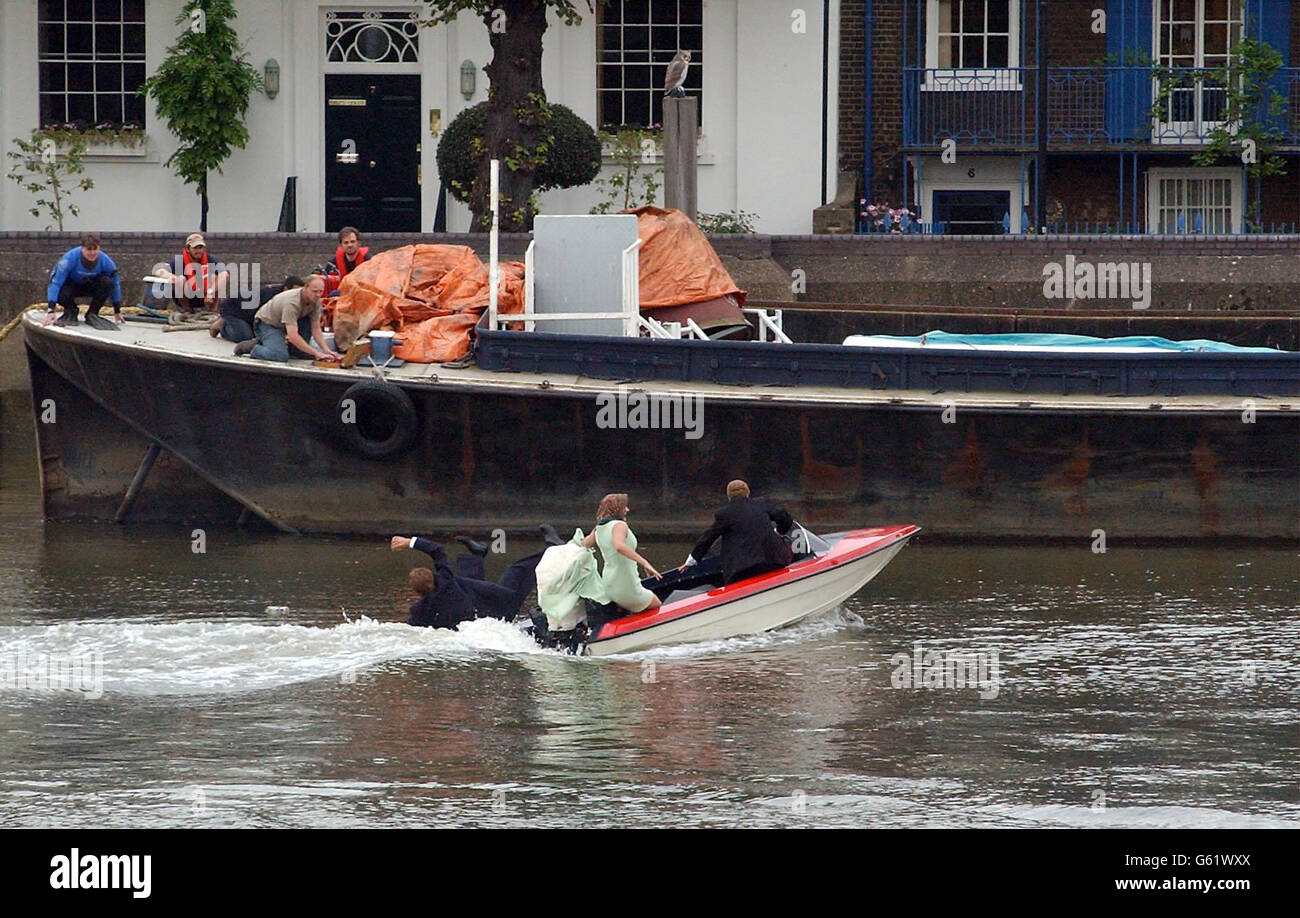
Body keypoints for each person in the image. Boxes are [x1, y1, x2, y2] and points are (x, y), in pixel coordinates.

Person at [391, 531, 557, 629]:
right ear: (434, 577)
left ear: (417, 593)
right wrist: (409, 542)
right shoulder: (446, 580)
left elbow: (410, 630)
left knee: (468, 585)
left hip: (479, 616)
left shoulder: (420, 611)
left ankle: (477, 554)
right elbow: (437, 550)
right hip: (501, 610)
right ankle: (553, 549)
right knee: (515, 570)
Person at [679, 479, 794, 585]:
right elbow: (784, 517)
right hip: (773, 562)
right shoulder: (761, 504)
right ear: (748, 493)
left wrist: (692, 560)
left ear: (729, 496)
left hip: (742, 570)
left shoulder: (724, 513)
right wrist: (779, 532)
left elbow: (708, 538)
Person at [581, 493, 662, 615]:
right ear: (617, 509)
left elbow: (584, 544)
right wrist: (645, 564)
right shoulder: (619, 525)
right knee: (657, 604)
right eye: (625, 507)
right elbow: (619, 546)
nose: (627, 510)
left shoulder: (599, 528)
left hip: (609, 583)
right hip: (624, 583)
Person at [236, 274, 340, 362]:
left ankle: (295, 349)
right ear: (306, 288)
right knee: (280, 355)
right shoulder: (292, 303)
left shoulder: (316, 301)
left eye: (320, 292)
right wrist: (317, 353)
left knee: (307, 354)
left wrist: (325, 350)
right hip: (268, 323)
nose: (318, 295)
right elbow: (292, 335)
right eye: (314, 291)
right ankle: (253, 347)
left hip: (289, 321)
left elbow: (316, 327)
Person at [43, 233, 123, 329]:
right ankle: (71, 311)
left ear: (99, 248)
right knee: (61, 290)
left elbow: (116, 284)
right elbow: (55, 283)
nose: (92, 253)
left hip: (91, 287)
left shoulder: (105, 261)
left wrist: (117, 311)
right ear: (82, 248)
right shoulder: (69, 259)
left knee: (107, 282)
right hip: (71, 288)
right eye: (89, 249)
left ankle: (92, 314)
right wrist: (51, 310)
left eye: (95, 249)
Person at [155, 233, 230, 317]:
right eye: (195, 248)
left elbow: (224, 274)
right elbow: (160, 271)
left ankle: (213, 311)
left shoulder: (209, 259)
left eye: (201, 248)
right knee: (180, 279)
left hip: (205, 296)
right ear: (188, 249)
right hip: (187, 296)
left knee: (217, 277)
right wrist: (173, 277)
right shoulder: (180, 260)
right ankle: (187, 311)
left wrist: (210, 292)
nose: (198, 251)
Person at [213, 275, 303, 343]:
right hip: (232, 308)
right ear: (286, 289)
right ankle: (222, 327)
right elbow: (262, 318)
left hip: (248, 311)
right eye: (294, 291)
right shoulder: (271, 296)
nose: (297, 295)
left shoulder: (289, 298)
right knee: (245, 337)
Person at [327, 227, 369, 291]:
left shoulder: (369, 261)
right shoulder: (332, 264)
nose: (349, 245)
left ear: (358, 243)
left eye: (352, 242)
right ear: (341, 245)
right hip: (341, 295)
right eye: (346, 242)